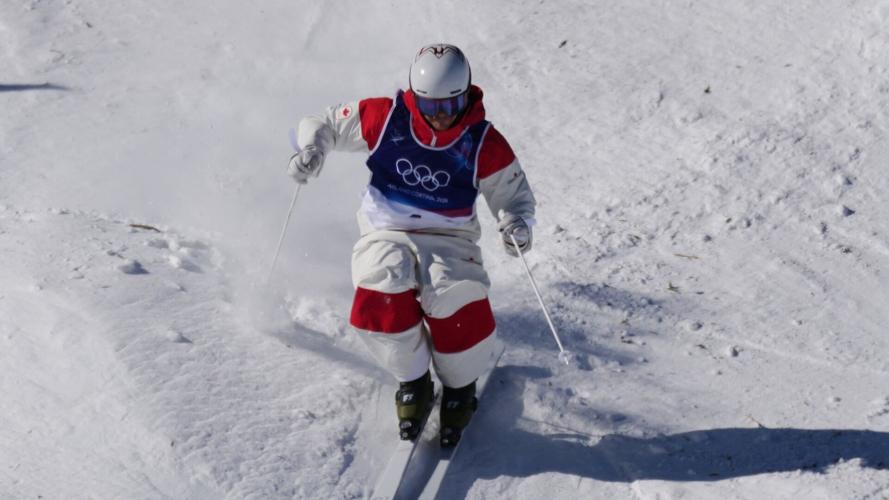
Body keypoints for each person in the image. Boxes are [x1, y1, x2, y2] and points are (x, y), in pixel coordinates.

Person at [288, 44, 536, 447]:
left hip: (450, 236)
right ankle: (414, 379)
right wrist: (313, 148)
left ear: (467, 94)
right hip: (386, 228)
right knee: (379, 290)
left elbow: (513, 196)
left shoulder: (482, 141)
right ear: (414, 97)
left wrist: (516, 223)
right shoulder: (386, 118)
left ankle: (460, 384)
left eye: (451, 103)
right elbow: (323, 122)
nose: (440, 115)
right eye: (430, 105)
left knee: (453, 297)